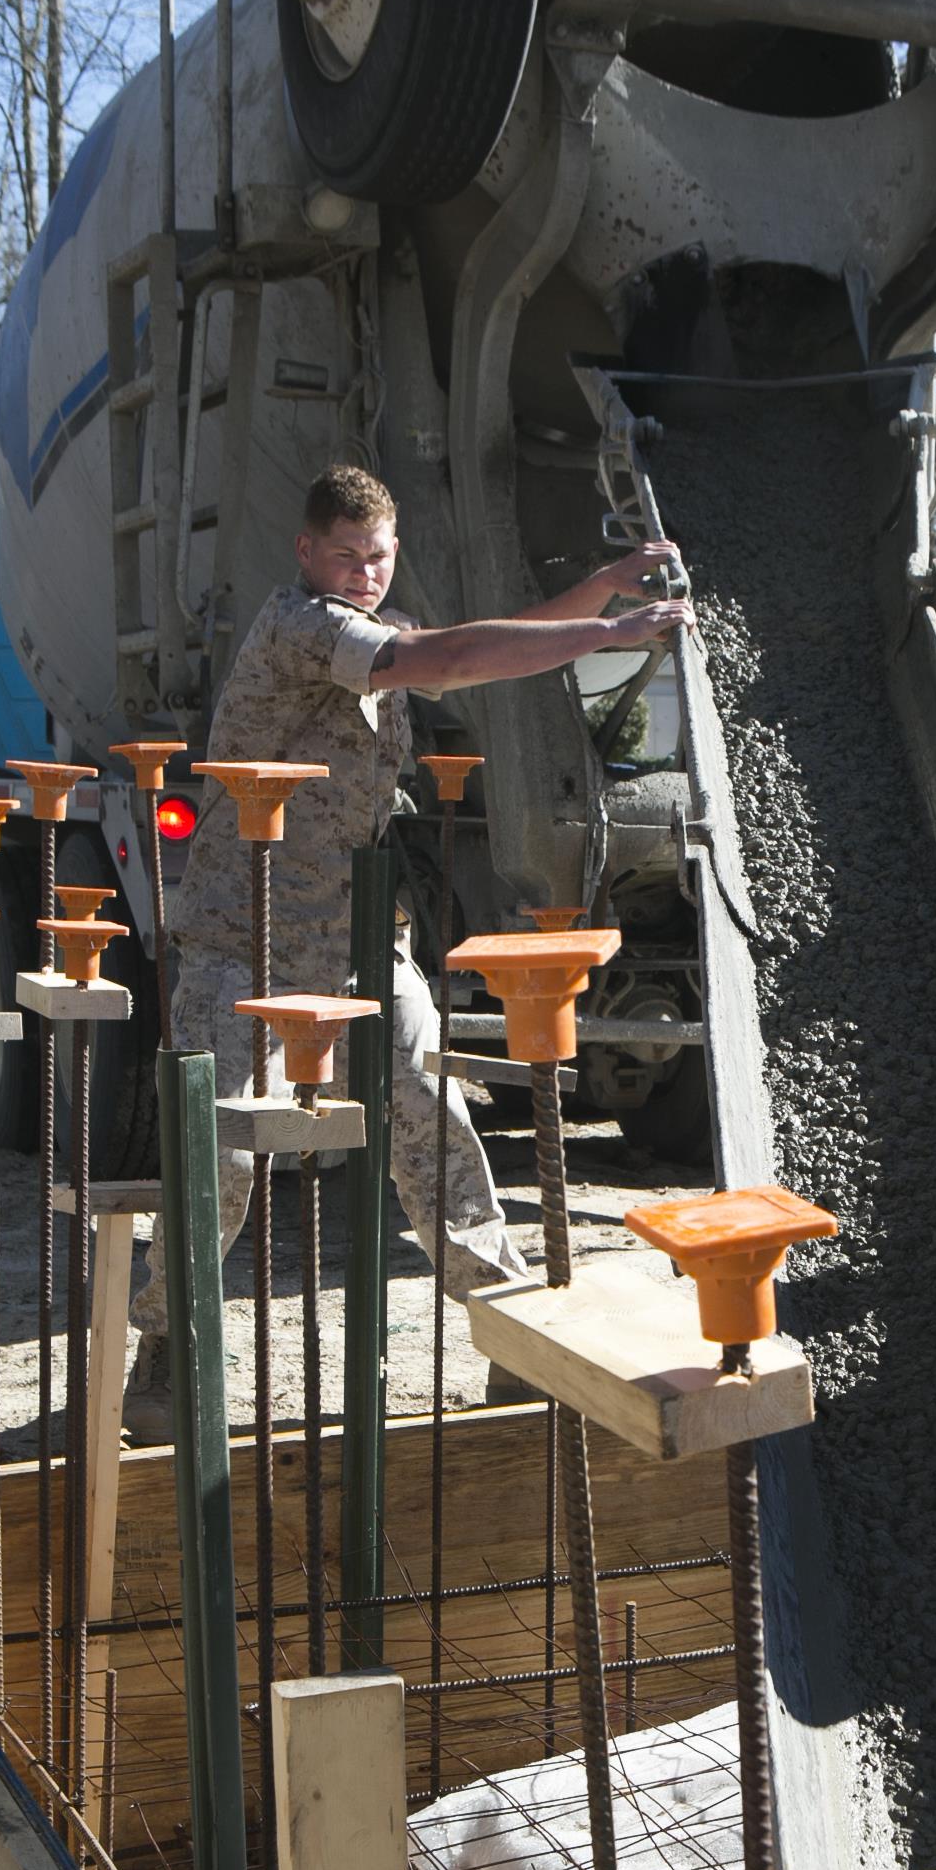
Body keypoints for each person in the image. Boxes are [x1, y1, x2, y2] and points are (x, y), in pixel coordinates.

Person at [124, 462, 690, 1440]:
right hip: (239, 944)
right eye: (344, 554)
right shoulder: (300, 626)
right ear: (308, 553)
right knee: (223, 1162)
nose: (362, 572)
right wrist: (604, 634)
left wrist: (602, 588)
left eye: (377, 557)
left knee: (436, 1121)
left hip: (355, 941)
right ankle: (164, 1354)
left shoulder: (378, 625)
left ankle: (513, 1339)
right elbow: (444, 659)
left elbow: (460, 642)